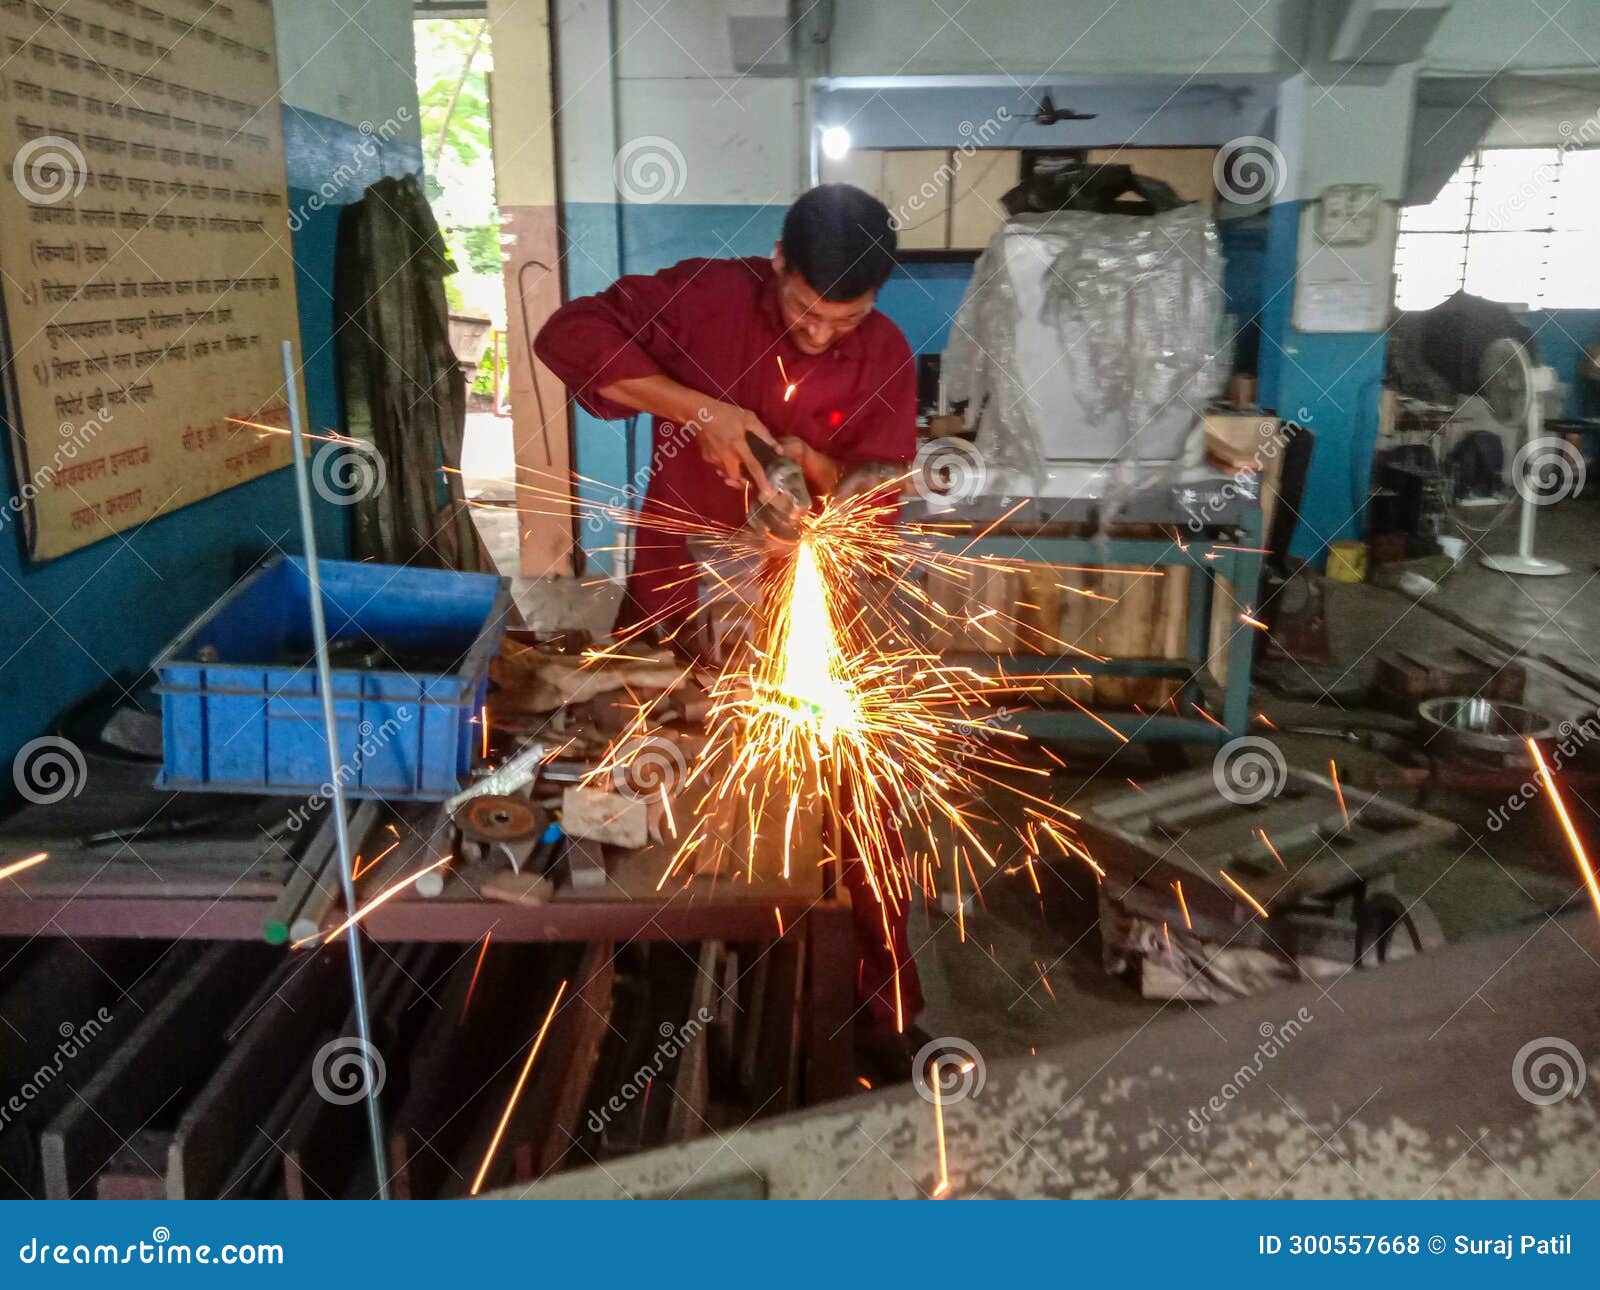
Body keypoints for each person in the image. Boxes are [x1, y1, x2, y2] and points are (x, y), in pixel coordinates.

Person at [535, 184, 925, 1070]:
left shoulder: (887, 354)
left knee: (861, 806)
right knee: (637, 789)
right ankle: (632, 998)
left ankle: (882, 1012)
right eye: (805, 310)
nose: (819, 335)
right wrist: (700, 411)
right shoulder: (707, 296)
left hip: (809, 621)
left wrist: (813, 471)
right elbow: (567, 336)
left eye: (845, 320)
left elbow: (880, 498)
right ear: (778, 262)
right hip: (673, 604)